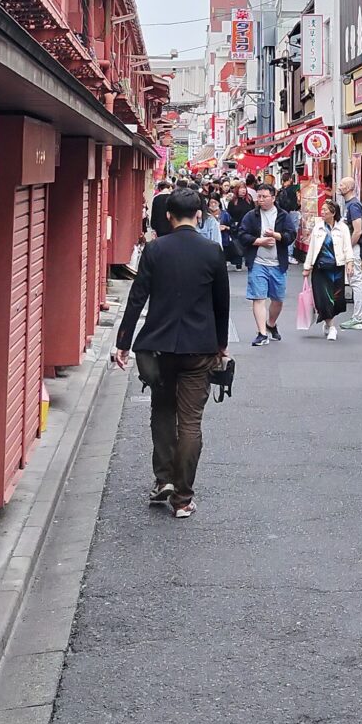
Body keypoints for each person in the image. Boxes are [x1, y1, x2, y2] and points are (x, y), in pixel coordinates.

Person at [113, 187, 230, 518]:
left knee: (162, 412)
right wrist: (220, 343)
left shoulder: (155, 249)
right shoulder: (211, 251)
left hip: (159, 348)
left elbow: (137, 298)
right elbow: (222, 303)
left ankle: (163, 479)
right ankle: (182, 497)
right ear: (199, 215)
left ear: (168, 216)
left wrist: (123, 342)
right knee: (190, 421)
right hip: (199, 349)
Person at [239, 182, 297, 345]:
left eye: (264, 197)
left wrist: (276, 236)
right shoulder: (251, 216)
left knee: (277, 299)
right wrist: (259, 241)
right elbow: (242, 235)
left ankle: (270, 324)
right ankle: (262, 333)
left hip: (278, 264)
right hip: (257, 262)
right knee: (258, 298)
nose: (261, 200)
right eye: (259, 197)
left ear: (273, 197)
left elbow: (291, 235)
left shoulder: (283, 215)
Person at [303, 197, 352, 341]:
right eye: (322, 209)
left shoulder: (342, 228)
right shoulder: (318, 227)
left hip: (336, 268)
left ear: (333, 212)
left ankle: (327, 320)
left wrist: (349, 263)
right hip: (320, 268)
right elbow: (312, 248)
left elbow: (347, 247)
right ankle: (331, 327)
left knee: (336, 300)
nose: (322, 212)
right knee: (323, 299)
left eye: (325, 210)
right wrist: (307, 267)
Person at [337, 176, 362, 329]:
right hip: (353, 248)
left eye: (342, 185)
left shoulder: (353, 206)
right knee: (355, 281)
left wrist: (348, 248)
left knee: (355, 281)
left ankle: (357, 317)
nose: (339, 186)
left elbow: (357, 231)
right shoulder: (349, 204)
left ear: (350, 188)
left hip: (354, 248)